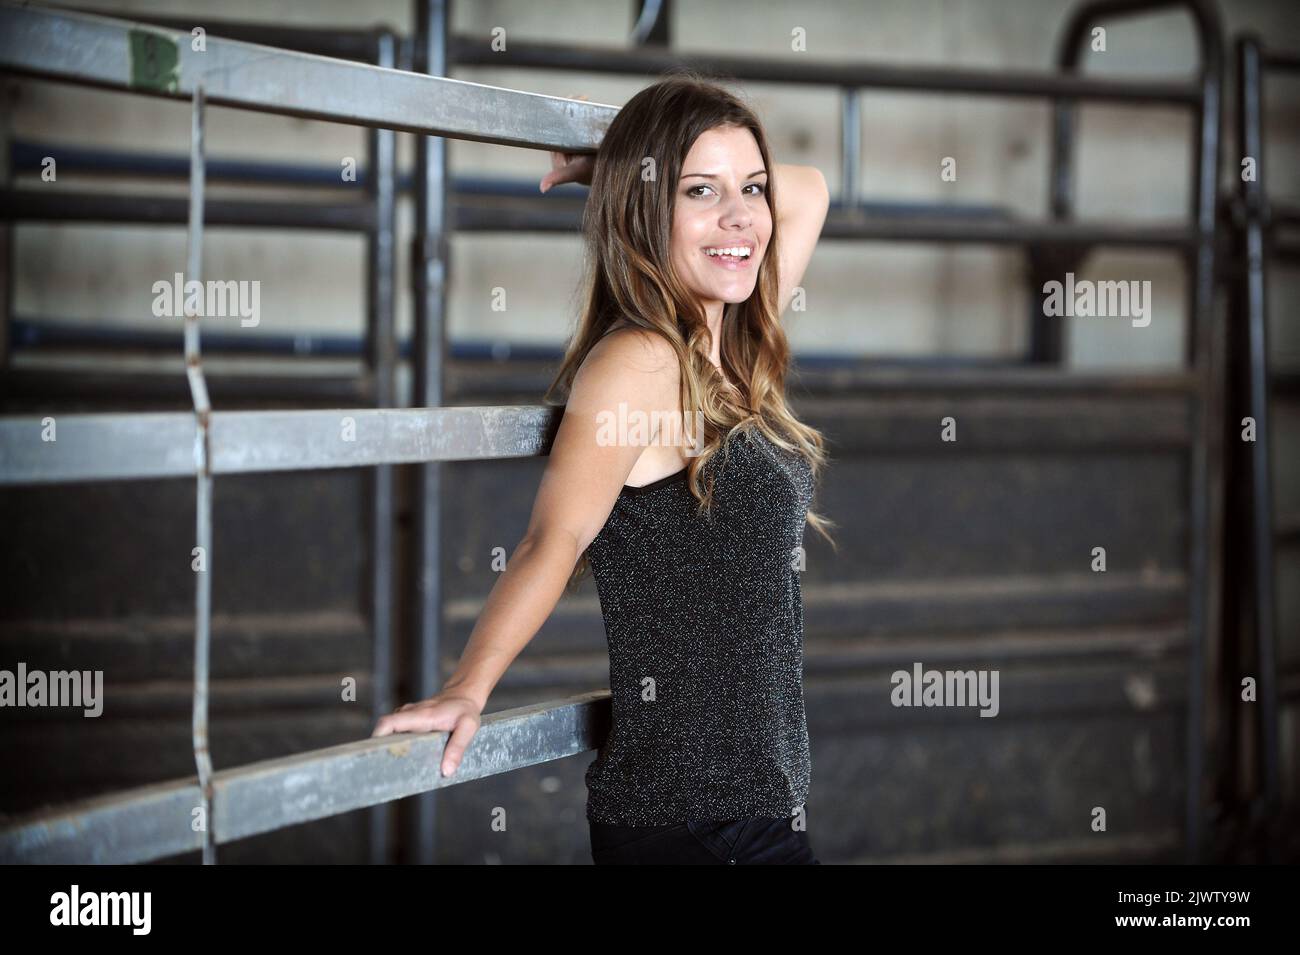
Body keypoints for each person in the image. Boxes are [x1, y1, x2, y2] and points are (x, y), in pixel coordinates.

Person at [372, 71, 836, 865]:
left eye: (749, 189)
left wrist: (626, 163)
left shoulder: (735, 345)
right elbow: (552, 540)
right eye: (699, 192)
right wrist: (467, 688)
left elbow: (810, 188)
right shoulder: (639, 363)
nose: (740, 217)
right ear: (646, 213)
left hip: (762, 812)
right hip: (692, 826)